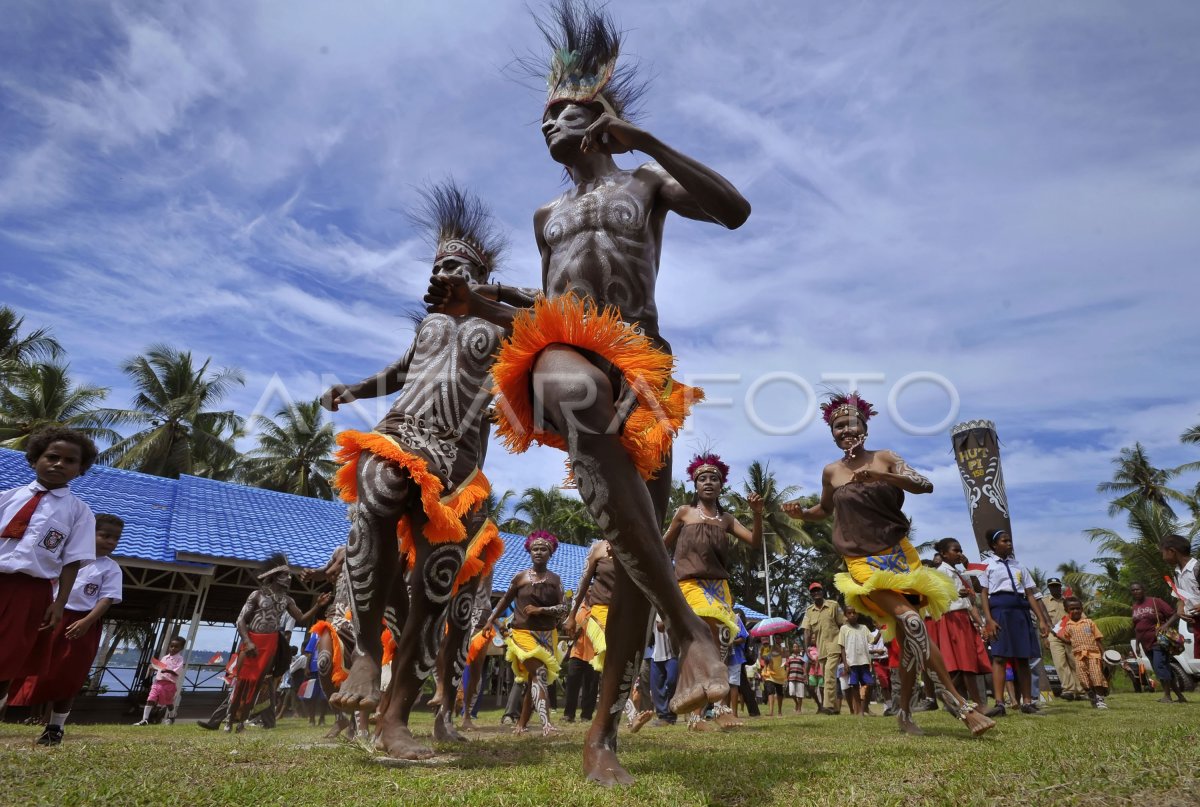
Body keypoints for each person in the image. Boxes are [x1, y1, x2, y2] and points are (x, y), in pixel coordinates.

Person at [424, 0, 751, 785]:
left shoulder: (645, 184)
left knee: (638, 551)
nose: (547, 127)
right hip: (565, 350)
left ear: (602, 115)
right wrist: (478, 307)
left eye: (563, 112)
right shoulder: (547, 215)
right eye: (541, 119)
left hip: (645, 365)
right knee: (568, 383)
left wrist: (646, 141)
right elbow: (545, 310)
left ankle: (603, 730)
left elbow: (735, 211)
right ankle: (691, 630)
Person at [322, 182, 516, 760]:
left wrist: (484, 295)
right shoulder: (428, 325)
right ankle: (363, 653)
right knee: (375, 496)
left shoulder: (504, 325)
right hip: (403, 434)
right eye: (438, 266)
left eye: (457, 266)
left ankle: (398, 716)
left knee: (436, 587)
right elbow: (403, 371)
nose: (443, 274)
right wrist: (355, 389)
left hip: (459, 464)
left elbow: (554, 309)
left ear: (478, 273)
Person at [786, 393, 994, 736]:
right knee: (912, 622)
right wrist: (801, 514)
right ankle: (959, 705)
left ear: (864, 427)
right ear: (832, 434)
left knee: (908, 636)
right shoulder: (831, 471)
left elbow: (923, 485)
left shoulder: (886, 458)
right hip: (861, 563)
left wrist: (883, 478)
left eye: (851, 423)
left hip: (900, 555)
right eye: (838, 426)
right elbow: (823, 511)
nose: (845, 430)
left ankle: (905, 714)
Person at [0, 427, 98, 716]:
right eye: (52, 456)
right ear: (34, 460)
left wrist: (59, 603)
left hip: (31, 592)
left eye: (70, 461)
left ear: (80, 470)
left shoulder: (79, 512)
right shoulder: (6, 498)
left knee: (8, 659)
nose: (59, 464)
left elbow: (71, 562)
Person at [663, 453, 763, 730]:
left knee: (720, 646)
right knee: (708, 635)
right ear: (695, 484)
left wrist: (756, 514)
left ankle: (699, 715)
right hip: (690, 584)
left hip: (719, 587)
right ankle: (714, 707)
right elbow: (663, 546)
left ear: (722, 486)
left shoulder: (727, 519)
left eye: (714, 479)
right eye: (703, 478)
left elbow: (754, 541)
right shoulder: (684, 512)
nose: (708, 482)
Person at [24, 513, 124, 745]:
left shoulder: (111, 568)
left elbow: (107, 599)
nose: (111, 542)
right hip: (52, 618)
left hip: (81, 624)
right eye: (105, 535)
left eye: (116, 538)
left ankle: (55, 728)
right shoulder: (66, 557)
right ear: (90, 533)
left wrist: (87, 622)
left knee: (70, 676)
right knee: (31, 668)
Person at [226, 554, 329, 732]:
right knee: (242, 680)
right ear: (274, 577)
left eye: (289, 575)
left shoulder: (287, 600)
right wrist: (247, 641)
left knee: (257, 682)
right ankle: (229, 718)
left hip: (270, 642)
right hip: (252, 639)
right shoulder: (257, 595)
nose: (289, 578)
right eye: (285, 575)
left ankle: (242, 721)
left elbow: (301, 617)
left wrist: (318, 606)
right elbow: (241, 621)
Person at [483, 531, 568, 737]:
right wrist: (491, 619)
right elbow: (504, 599)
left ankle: (521, 723)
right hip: (522, 634)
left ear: (550, 553)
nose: (538, 552)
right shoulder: (520, 577)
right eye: (535, 549)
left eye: (543, 549)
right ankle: (547, 725)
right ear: (529, 552)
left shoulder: (555, 580)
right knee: (538, 673)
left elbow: (564, 608)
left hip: (547, 635)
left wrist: (542, 611)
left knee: (534, 680)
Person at [978, 529, 1051, 717]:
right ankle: (1000, 703)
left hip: (1020, 612)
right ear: (994, 545)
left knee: (1023, 658)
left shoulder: (1019, 566)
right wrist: (989, 619)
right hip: (1000, 611)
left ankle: (1027, 702)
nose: (1009, 543)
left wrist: (1041, 619)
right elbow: (984, 594)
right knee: (1000, 657)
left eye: (1010, 540)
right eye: (1004, 540)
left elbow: (1030, 594)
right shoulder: (987, 566)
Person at [930, 538, 993, 705]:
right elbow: (937, 598)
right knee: (965, 662)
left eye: (960, 550)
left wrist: (979, 622)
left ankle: (951, 695)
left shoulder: (957, 572)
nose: (960, 554)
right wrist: (957, 594)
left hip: (964, 617)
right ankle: (977, 704)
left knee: (968, 661)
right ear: (944, 554)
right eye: (955, 550)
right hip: (953, 618)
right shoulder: (942, 573)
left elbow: (977, 590)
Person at [1130, 582, 1186, 703]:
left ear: (1143, 589)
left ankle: (1167, 696)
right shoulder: (1134, 607)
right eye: (1133, 590)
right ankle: (1180, 697)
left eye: (1137, 589)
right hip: (1145, 644)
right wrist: (1137, 645)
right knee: (1162, 668)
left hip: (1159, 641)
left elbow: (1175, 614)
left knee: (1160, 666)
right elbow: (1137, 627)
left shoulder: (1155, 601)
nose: (1135, 592)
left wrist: (1166, 625)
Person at [799, 582, 845, 715]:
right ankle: (836, 708)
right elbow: (807, 631)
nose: (816, 592)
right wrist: (806, 648)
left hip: (835, 644)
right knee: (827, 677)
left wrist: (843, 647)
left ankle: (828, 706)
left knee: (830, 673)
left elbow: (842, 625)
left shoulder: (833, 605)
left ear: (822, 591)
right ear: (811, 594)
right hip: (821, 648)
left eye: (818, 590)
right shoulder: (809, 611)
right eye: (813, 591)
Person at [1058, 598, 1108, 709]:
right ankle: (1091, 695)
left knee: (1096, 676)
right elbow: (1069, 642)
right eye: (1072, 609)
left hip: (1093, 654)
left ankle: (1100, 699)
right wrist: (1057, 636)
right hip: (1078, 656)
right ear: (1067, 610)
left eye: (1078, 608)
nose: (1076, 611)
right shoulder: (1068, 626)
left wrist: (1104, 653)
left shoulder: (1089, 622)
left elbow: (1098, 639)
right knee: (1083, 679)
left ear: (1082, 609)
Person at [1042, 577, 1084, 700]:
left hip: (1070, 635)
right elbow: (1042, 620)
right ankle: (1069, 690)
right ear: (1049, 587)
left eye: (1057, 586)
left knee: (1075, 662)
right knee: (1060, 663)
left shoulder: (1069, 600)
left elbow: (1080, 615)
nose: (1055, 588)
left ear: (1061, 587)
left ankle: (1081, 691)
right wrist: (1045, 637)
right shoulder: (1044, 602)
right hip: (1053, 635)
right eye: (1052, 586)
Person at [1161, 534, 1200, 663]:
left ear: (1172, 551)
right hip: (1196, 623)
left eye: (1163, 552)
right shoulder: (1177, 573)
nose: (1163, 557)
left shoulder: (1196, 568)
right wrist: (1180, 606)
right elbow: (1180, 596)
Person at [135, 635, 186, 725]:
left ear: (181, 648)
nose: (173, 648)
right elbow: (160, 668)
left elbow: (177, 671)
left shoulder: (180, 659)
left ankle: (171, 716)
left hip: (169, 684)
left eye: (176, 647)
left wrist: (167, 670)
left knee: (168, 702)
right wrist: (154, 667)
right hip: (158, 682)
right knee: (150, 699)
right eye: (171, 646)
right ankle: (144, 719)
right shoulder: (165, 657)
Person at [837, 607, 874, 717]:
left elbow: (873, 640)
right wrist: (845, 663)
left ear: (858, 614)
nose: (852, 615)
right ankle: (858, 711)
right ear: (846, 615)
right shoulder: (844, 629)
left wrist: (882, 631)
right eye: (849, 613)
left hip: (864, 662)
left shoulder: (864, 628)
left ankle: (864, 708)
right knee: (854, 686)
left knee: (869, 684)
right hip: (851, 662)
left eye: (854, 612)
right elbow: (842, 647)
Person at [649, 614, 678, 726]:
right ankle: (663, 716)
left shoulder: (670, 607)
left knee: (672, 682)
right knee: (656, 686)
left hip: (673, 653)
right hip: (656, 654)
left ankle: (672, 714)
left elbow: (662, 626)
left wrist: (666, 623)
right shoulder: (651, 611)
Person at [758, 639, 787, 718]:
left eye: (779, 638)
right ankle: (771, 712)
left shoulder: (783, 648)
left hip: (779, 674)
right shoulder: (769, 649)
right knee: (770, 692)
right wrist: (761, 652)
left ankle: (779, 711)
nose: (778, 640)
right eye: (776, 638)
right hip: (769, 674)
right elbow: (763, 658)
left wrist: (781, 649)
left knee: (780, 693)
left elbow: (785, 657)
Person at [786, 641, 807, 714]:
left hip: (800, 677)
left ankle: (799, 709)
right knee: (791, 693)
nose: (795, 648)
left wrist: (805, 674)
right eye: (794, 647)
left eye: (797, 647)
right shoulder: (790, 658)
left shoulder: (801, 658)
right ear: (792, 648)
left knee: (800, 694)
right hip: (791, 677)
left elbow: (804, 667)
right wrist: (786, 676)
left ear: (798, 648)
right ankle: (796, 703)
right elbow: (788, 667)